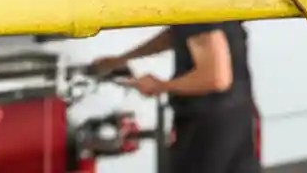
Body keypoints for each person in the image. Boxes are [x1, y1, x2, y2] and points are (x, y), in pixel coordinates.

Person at [93, 22, 259, 173]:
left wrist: (160, 86)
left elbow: (216, 78)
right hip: (235, 117)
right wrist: (122, 59)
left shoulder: (196, 4)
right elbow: (178, 34)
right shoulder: (207, 2)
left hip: (209, 128)